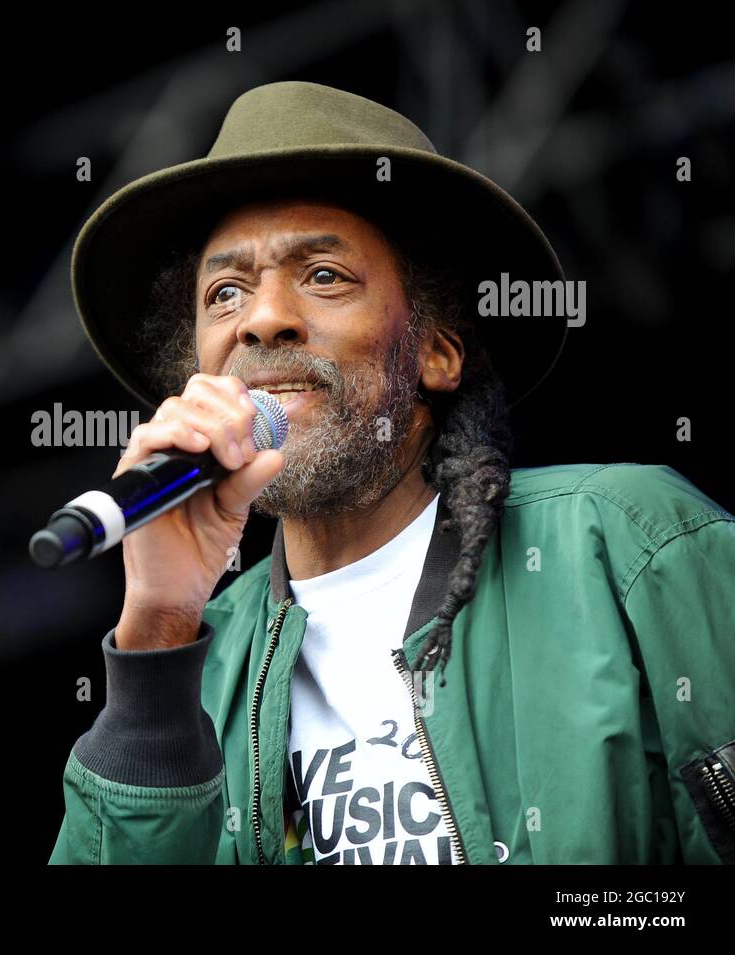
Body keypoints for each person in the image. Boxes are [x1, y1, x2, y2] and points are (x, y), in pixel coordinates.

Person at [48, 81, 735, 865]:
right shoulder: (193, 663)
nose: (261, 318)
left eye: (325, 275)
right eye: (225, 291)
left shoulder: (631, 543)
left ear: (439, 352)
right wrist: (159, 638)